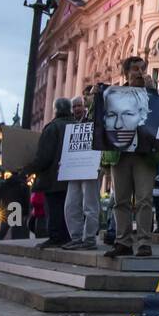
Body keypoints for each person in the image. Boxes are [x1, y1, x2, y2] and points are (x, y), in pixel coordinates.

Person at [103, 57, 159, 258]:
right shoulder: (113, 95)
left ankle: (144, 241)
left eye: (143, 69)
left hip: (144, 154)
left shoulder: (152, 94)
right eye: (135, 69)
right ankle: (123, 241)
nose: (139, 72)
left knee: (145, 199)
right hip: (120, 153)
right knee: (120, 200)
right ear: (126, 73)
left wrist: (152, 92)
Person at [21, 97, 73, 249]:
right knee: (67, 208)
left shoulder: (52, 128)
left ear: (55, 110)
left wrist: (27, 170)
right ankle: (66, 236)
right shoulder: (75, 126)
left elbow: (44, 157)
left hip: (52, 178)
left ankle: (56, 237)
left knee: (54, 208)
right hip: (71, 177)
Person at [62, 95, 101, 251]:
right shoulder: (70, 125)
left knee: (90, 205)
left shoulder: (92, 120)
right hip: (74, 169)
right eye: (74, 106)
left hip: (89, 168)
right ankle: (76, 237)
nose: (76, 109)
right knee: (70, 205)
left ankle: (89, 238)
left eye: (79, 105)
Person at [0, 170, 30, 240]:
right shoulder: (23, 185)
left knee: (3, 230)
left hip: (7, 208)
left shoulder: (4, 184)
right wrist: (26, 213)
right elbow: (27, 200)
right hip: (18, 210)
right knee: (18, 231)